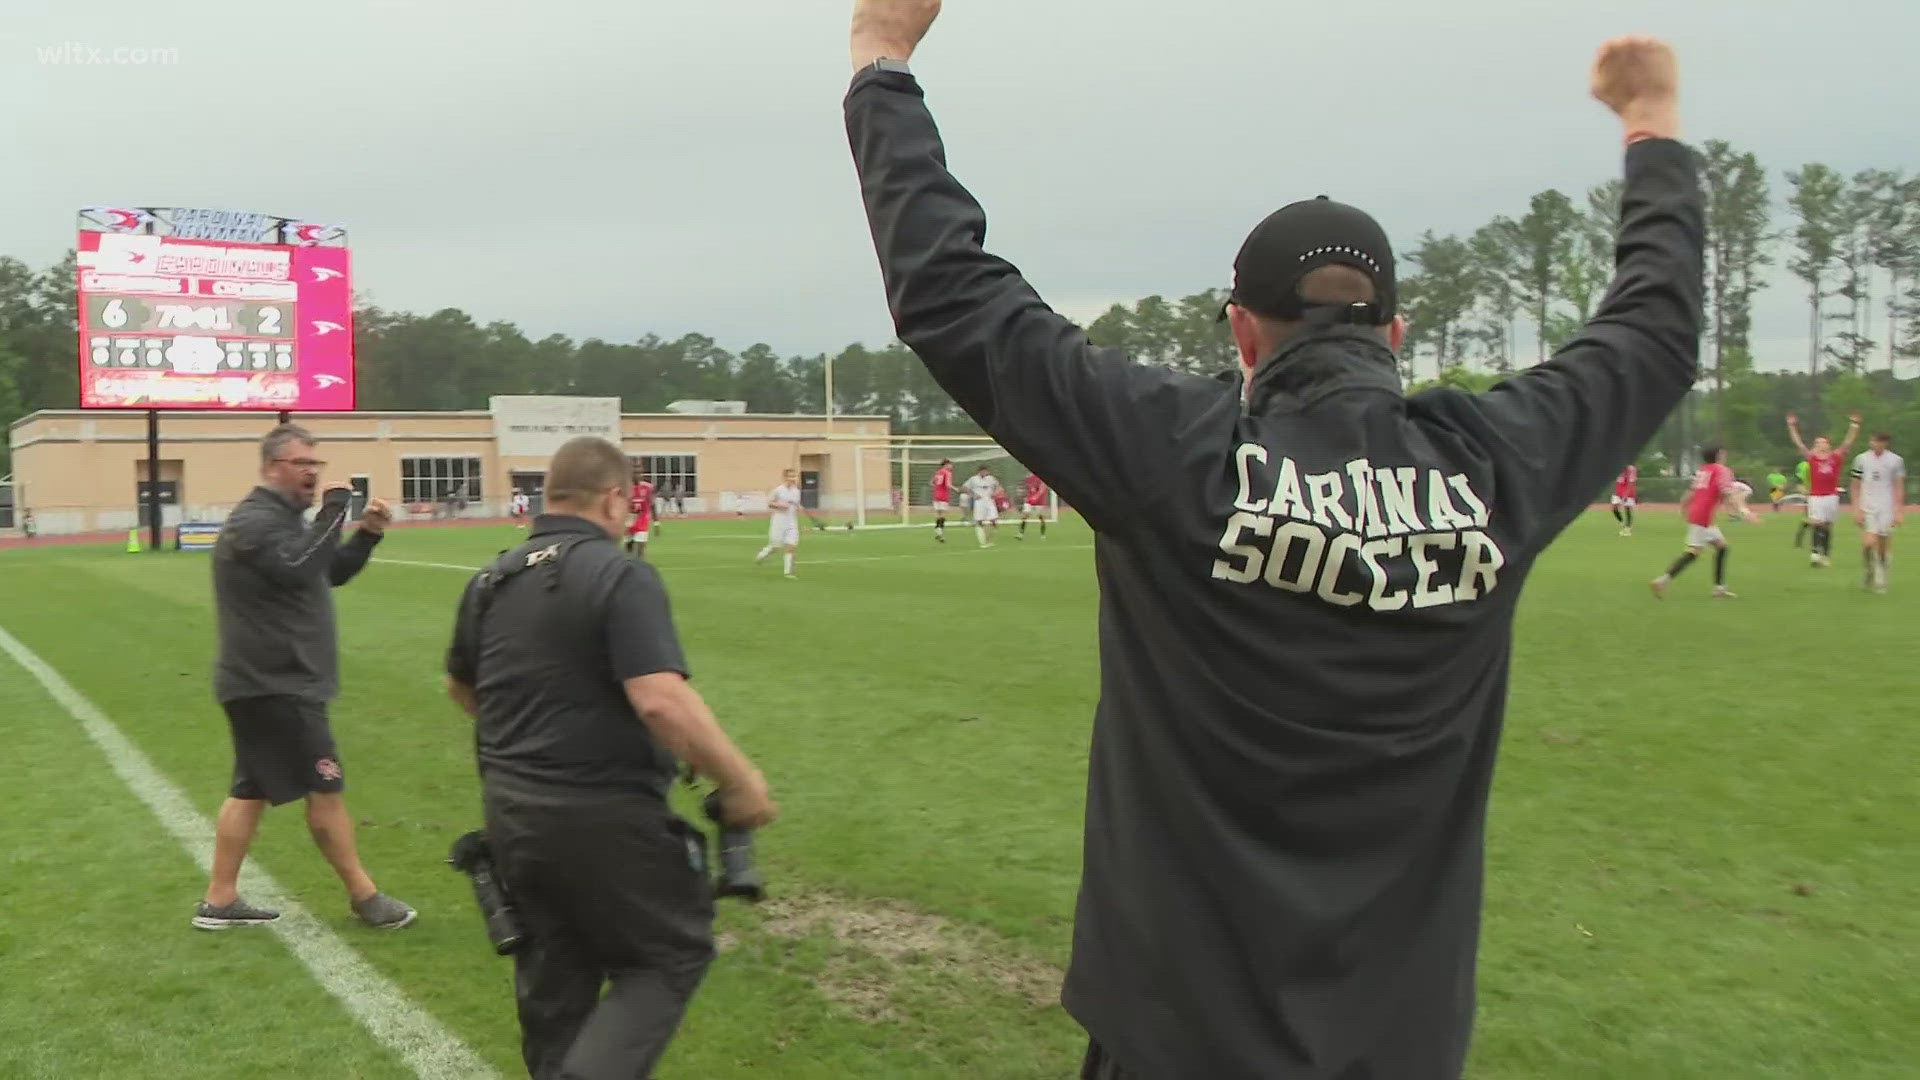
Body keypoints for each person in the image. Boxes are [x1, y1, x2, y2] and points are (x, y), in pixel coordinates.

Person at [846, 10, 1700, 1077]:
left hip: (1177, 1039)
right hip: (1400, 1046)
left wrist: (882, 58)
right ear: (1395, 336)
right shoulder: (1491, 469)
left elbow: (955, 296)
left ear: (1242, 333)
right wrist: (1651, 125)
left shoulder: (1177, 454)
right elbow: (1651, 337)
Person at [444, 436, 776, 1080]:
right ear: (616, 499)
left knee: (555, 986)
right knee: (668, 954)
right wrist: (742, 781)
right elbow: (659, 700)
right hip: (600, 814)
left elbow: (463, 689)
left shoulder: (491, 579)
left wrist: (537, 731)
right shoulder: (620, 572)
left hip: (513, 814)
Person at [195, 423, 415, 931]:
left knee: (250, 789)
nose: (313, 474)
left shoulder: (286, 523)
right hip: (276, 682)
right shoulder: (255, 522)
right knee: (325, 786)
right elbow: (297, 566)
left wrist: (368, 534)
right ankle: (366, 898)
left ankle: (219, 899)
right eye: (302, 465)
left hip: (270, 680)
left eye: (317, 465)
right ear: (273, 467)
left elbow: (328, 570)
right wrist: (336, 510)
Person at [1650, 447, 1759, 600]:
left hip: (1698, 513)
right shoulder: (1722, 470)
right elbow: (1729, 495)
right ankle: (1662, 581)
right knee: (1693, 552)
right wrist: (1745, 512)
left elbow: (1691, 492)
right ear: (1719, 455)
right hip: (1704, 516)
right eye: (1723, 453)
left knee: (1722, 547)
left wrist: (1683, 507)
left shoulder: (1703, 470)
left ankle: (1719, 589)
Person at [1786, 412, 1860, 566]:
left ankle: (1825, 554)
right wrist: (1792, 426)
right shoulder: (1812, 458)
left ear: (1828, 445)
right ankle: (1814, 553)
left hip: (1831, 496)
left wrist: (1854, 425)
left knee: (1827, 525)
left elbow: (1847, 443)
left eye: (1823, 442)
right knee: (1817, 522)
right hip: (1816, 496)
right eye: (1817, 442)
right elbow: (1798, 443)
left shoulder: (1835, 457)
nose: (1820, 445)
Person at [1850, 433, 1906, 593]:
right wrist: (1856, 508)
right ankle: (1869, 570)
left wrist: (1899, 510)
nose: (1874, 444)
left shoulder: (1896, 461)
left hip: (1886, 507)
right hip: (1867, 506)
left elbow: (1899, 486)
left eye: (1878, 441)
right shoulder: (1861, 459)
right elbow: (1855, 486)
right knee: (1868, 544)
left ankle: (1881, 576)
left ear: (1885, 443)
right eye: (1872, 440)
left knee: (1882, 547)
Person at [754, 468, 803, 578]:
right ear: (785, 477)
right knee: (776, 546)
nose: (793, 479)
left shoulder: (797, 491)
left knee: (791, 545)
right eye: (790, 476)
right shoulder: (778, 490)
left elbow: (795, 504)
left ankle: (788, 572)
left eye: (794, 476)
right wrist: (779, 505)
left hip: (792, 522)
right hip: (779, 520)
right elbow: (770, 503)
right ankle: (762, 555)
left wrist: (798, 507)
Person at [960, 465, 1002, 547]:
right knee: (979, 521)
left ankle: (988, 539)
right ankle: (983, 542)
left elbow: (999, 487)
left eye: (986, 471)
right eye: (983, 471)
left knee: (994, 520)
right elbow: (964, 487)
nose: (985, 473)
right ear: (979, 471)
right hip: (979, 502)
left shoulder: (991, 479)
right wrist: (973, 495)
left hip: (990, 501)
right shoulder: (973, 479)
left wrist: (995, 493)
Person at [625, 474, 656, 558]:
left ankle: (639, 565)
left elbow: (652, 504)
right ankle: (628, 564)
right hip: (629, 520)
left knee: (641, 546)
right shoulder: (626, 488)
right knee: (629, 546)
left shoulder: (647, 488)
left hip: (642, 520)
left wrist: (656, 522)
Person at [929, 458, 955, 542]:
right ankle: (939, 530)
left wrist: (937, 488)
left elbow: (931, 483)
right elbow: (948, 485)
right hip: (943, 496)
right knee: (943, 515)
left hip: (936, 495)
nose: (951, 466)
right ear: (946, 465)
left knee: (939, 514)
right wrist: (956, 489)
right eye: (950, 464)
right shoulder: (947, 473)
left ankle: (939, 533)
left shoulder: (938, 472)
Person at [1018, 472, 1050, 540]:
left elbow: (1042, 489)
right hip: (1029, 501)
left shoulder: (1039, 479)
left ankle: (1042, 534)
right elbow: (1026, 489)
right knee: (1025, 516)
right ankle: (1021, 534)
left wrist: (1036, 497)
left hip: (1039, 502)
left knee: (1041, 517)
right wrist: (1025, 496)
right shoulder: (1027, 479)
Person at [1610, 464, 1638, 535]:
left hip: (1628, 493)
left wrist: (1626, 494)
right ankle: (1623, 524)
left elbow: (1631, 483)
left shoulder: (1631, 469)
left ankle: (1628, 528)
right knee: (1614, 508)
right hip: (1618, 492)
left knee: (1627, 508)